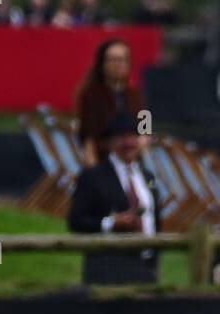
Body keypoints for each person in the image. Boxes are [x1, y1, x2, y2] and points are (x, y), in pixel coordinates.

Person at [67, 112, 160, 285]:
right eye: (122, 137)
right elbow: (75, 222)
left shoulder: (147, 177)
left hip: (146, 270)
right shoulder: (93, 177)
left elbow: (156, 221)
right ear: (109, 142)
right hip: (108, 270)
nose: (129, 143)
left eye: (134, 136)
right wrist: (110, 223)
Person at [75, 38, 145, 166]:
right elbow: (88, 138)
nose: (118, 64)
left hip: (133, 162)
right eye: (113, 60)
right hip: (104, 162)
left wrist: (137, 146)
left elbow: (146, 130)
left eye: (122, 60)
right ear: (102, 64)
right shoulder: (90, 96)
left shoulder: (136, 96)